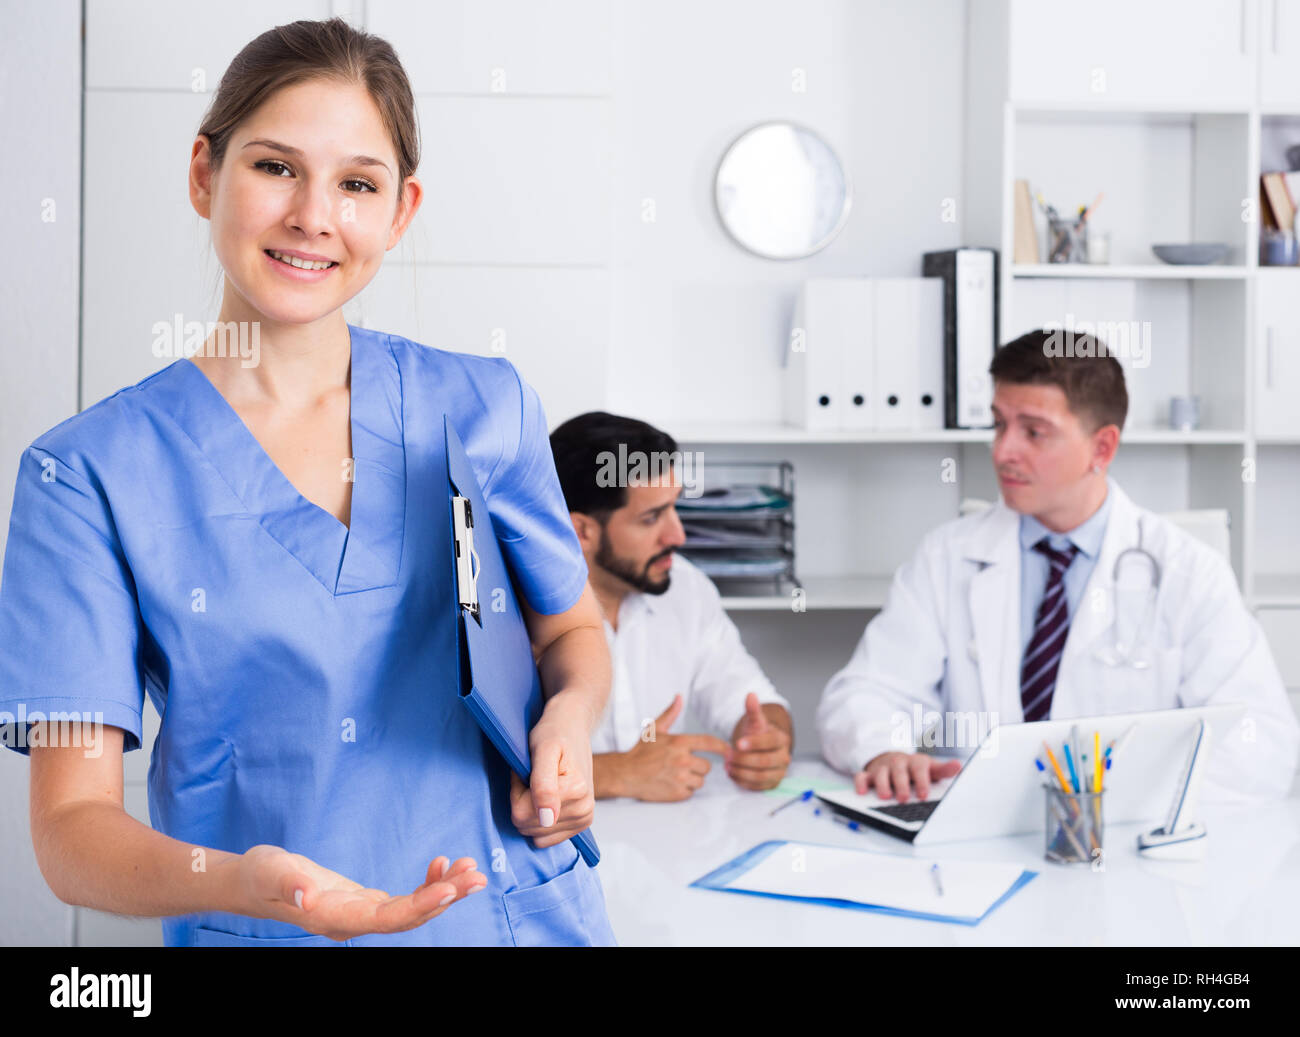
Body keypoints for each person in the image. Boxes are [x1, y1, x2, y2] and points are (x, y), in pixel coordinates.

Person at [0, 18, 616, 947]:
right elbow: (70, 832)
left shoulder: (484, 405)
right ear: (205, 173)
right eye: (276, 167)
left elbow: (569, 628)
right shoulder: (87, 475)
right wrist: (249, 883)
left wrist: (569, 717)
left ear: (400, 211)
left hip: (516, 921)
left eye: (357, 184)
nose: (314, 217)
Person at [817, 328, 1300, 803]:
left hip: (1123, 848)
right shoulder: (947, 556)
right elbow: (866, 692)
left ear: (1102, 448)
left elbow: (1261, 747)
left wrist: (1112, 796)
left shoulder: (1190, 572)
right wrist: (883, 750)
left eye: (1033, 432)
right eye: (999, 424)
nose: (1003, 451)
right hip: (973, 847)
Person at [549, 412, 793, 801]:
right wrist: (619, 773)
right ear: (582, 532)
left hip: (669, 847)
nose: (677, 534)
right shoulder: (513, 615)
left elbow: (751, 697)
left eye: (673, 507)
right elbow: (485, 774)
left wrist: (766, 739)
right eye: (651, 518)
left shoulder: (686, 588)